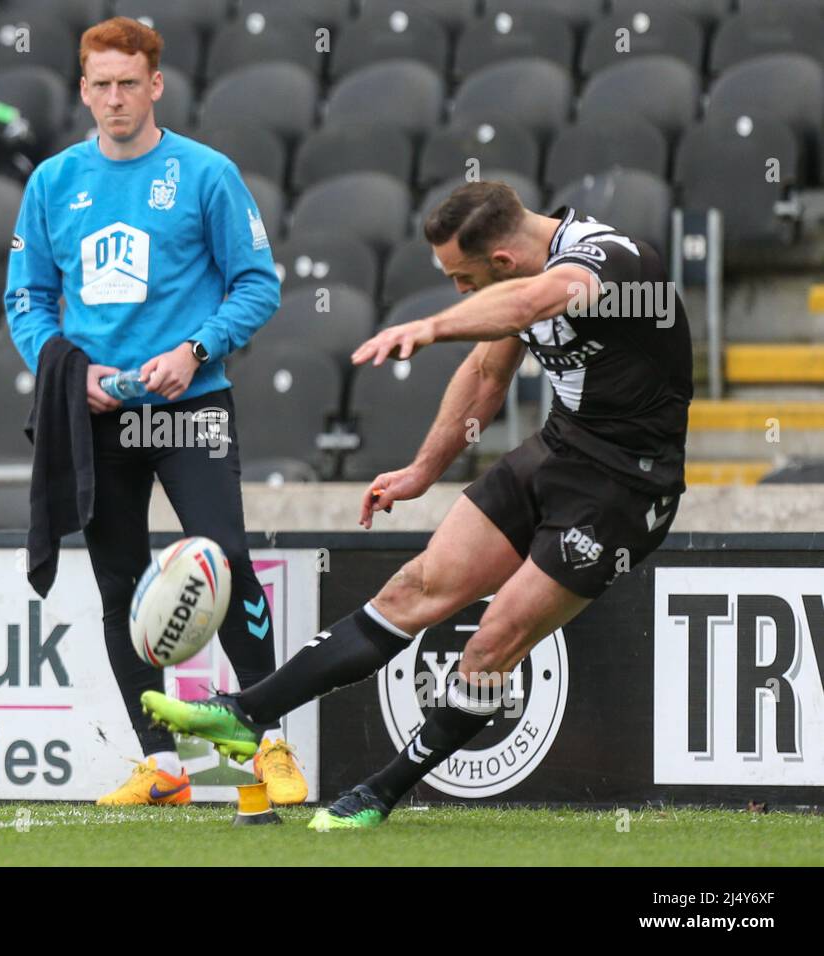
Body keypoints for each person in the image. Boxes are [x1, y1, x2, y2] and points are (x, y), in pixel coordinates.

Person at [143, 181, 694, 827]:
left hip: (625, 489)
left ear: (504, 262)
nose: (460, 292)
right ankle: (247, 714)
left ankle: (379, 793)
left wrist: (433, 326)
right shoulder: (520, 281)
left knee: (491, 646)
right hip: (558, 453)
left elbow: (537, 298)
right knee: (413, 589)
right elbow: (488, 374)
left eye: (463, 279)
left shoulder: (615, 262)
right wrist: (423, 471)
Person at [4, 17, 307, 807]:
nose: (114, 99)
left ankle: (269, 740)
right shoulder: (51, 182)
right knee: (119, 585)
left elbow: (258, 283)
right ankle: (162, 764)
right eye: (100, 85)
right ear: (82, 90)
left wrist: (195, 351)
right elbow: (26, 297)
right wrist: (67, 370)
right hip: (96, 414)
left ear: (156, 85)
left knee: (227, 556)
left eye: (128, 84)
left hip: (189, 406)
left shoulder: (205, 173)